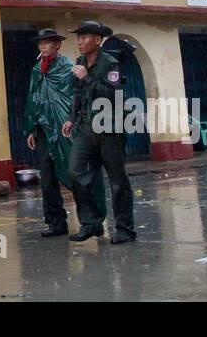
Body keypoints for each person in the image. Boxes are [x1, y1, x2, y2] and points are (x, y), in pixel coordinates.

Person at [23, 27, 106, 237]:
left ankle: (90, 221)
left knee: (77, 175)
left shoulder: (69, 68)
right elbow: (33, 99)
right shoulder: (36, 70)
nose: (43, 46)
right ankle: (55, 222)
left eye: (47, 42)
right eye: (40, 43)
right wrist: (31, 128)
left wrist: (75, 122)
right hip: (43, 130)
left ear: (57, 45)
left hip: (66, 129)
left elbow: (77, 98)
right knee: (48, 180)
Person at [65, 21, 136, 245]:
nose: (79, 41)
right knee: (76, 172)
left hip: (110, 128)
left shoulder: (111, 64)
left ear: (97, 40)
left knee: (117, 181)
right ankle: (91, 223)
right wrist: (71, 117)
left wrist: (87, 77)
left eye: (84, 37)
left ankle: (125, 229)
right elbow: (77, 93)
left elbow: (113, 95)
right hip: (86, 127)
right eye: (78, 37)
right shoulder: (79, 62)